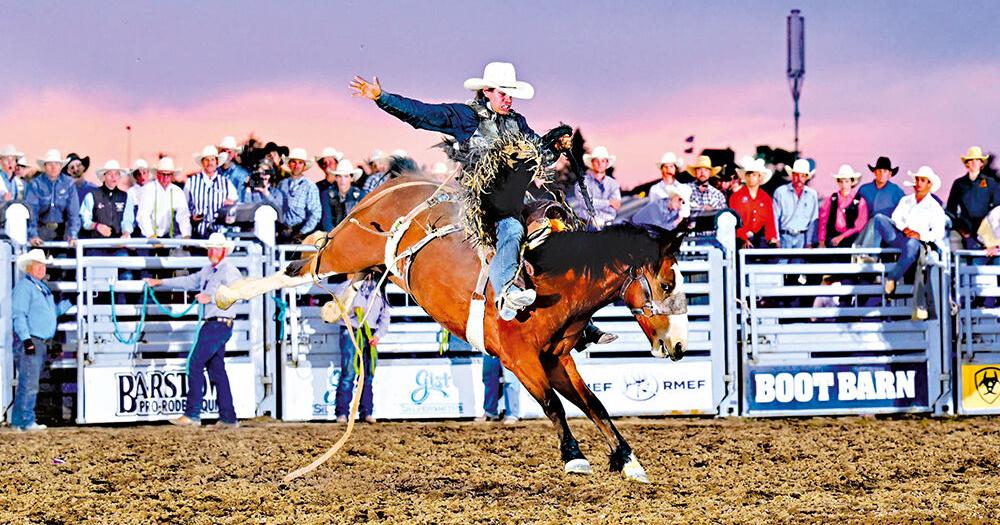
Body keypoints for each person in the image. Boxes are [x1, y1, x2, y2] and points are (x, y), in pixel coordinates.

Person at [350, 62, 541, 320]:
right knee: (512, 228)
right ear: (486, 91)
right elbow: (422, 114)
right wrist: (382, 98)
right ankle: (505, 293)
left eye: (510, 94)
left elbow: (538, 150)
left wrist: (555, 144)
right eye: (502, 93)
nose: (508, 99)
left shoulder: (517, 123)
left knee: (550, 224)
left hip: (515, 196)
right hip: (482, 201)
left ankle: (576, 317)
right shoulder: (466, 117)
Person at [143, 233, 243, 427]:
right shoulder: (208, 270)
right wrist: (161, 282)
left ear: (224, 251)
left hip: (219, 322)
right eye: (211, 248)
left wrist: (211, 298)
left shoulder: (229, 271)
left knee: (195, 364)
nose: (213, 252)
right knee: (217, 369)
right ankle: (228, 417)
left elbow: (237, 294)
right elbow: (188, 281)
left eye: (216, 248)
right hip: (215, 323)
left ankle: (192, 414)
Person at [10, 249, 73, 431]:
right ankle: (25, 421)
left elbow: (51, 313)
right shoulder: (25, 287)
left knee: (29, 381)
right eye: (38, 265)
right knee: (29, 382)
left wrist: (69, 302)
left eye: (43, 265)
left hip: (38, 341)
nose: (42, 269)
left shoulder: (39, 288)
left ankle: (20, 421)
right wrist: (26, 339)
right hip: (32, 340)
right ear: (30, 268)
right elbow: (19, 315)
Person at [871, 166, 947, 297]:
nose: (918, 183)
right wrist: (904, 227)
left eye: (923, 180)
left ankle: (892, 278)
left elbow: (938, 232)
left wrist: (920, 235)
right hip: (900, 235)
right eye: (917, 179)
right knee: (879, 219)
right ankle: (873, 258)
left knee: (911, 244)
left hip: (916, 241)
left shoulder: (935, 207)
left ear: (929, 184)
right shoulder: (906, 200)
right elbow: (896, 217)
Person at [331, 270, 391, 424]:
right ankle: (342, 413)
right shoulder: (345, 288)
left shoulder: (378, 290)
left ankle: (366, 411)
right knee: (349, 373)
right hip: (351, 330)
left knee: (367, 375)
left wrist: (377, 335)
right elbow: (336, 311)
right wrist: (352, 313)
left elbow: (385, 316)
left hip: (370, 334)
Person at [947, 146, 1000, 251]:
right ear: (967, 163)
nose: (974, 162)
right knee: (967, 260)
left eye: (977, 160)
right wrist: (961, 229)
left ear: (981, 164)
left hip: (986, 230)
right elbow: (950, 209)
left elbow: (997, 208)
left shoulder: (991, 183)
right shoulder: (959, 184)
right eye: (971, 160)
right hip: (965, 230)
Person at [26, 149, 81, 246]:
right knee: (39, 259)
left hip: (63, 233)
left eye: (57, 164)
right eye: (50, 164)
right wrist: (33, 235)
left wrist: (72, 235)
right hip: (40, 231)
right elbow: (31, 212)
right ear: (44, 166)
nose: (53, 167)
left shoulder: (69, 184)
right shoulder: (35, 184)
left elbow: (74, 213)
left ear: (61, 167)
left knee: (63, 259)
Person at [267, 147, 322, 241]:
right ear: (289, 164)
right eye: (293, 162)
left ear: (304, 166)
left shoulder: (310, 186)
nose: (297, 166)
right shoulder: (282, 184)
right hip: (281, 231)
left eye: (300, 162)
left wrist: (302, 232)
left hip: (300, 232)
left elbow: (315, 213)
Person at [186, 145, 237, 238]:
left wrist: (230, 206)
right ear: (202, 162)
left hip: (220, 234)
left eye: (213, 160)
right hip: (196, 233)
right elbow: (184, 207)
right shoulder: (191, 182)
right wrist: (191, 217)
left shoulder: (226, 183)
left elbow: (235, 204)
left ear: (217, 162)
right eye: (206, 160)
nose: (210, 163)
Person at [136, 157, 192, 239]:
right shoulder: (148, 189)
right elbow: (143, 215)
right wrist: (151, 236)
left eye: (168, 174)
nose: (165, 177)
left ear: (172, 176)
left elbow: (183, 215)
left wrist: (186, 234)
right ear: (157, 174)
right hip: (147, 237)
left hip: (167, 237)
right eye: (163, 174)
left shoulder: (177, 191)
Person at [729, 157, 778, 249]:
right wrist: (744, 238)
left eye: (754, 175)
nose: (751, 177)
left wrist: (772, 238)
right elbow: (735, 222)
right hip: (740, 240)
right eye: (748, 174)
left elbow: (770, 221)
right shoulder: (736, 197)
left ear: (760, 177)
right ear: (745, 177)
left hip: (760, 239)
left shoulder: (766, 198)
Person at [818, 165, 869, 248]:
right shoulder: (831, 199)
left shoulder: (860, 201)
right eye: (841, 181)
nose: (843, 184)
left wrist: (842, 237)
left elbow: (859, 226)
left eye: (846, 181)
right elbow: (823, 221)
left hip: (851, 239)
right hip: (831, 238)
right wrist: (821, 240)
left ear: (852, 182)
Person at [80, 160, 132, 239]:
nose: (113, 177)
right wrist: (96, 226)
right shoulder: (92, 196)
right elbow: (84, 220)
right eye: (110, 174)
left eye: (116, 174)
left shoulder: (125, 197)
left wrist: (126, 233)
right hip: (95, 245)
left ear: (119, 176)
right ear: (104, 176)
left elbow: (127, 220)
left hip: (118, 244)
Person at [572, 146, 621, 230]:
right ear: (592, 162)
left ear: (607, 163)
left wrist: (596, 203)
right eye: (596, 160)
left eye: (603, 161)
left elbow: (616, 205)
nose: (600, 163)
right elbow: (586, 203)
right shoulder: (582, 183)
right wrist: (609, 202)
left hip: (609, 226)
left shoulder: (613, 184)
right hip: (587, 227)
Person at [774, 159, 819, 249]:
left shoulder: (812, 194)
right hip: (784, 236)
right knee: (782, 262)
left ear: (807, 177)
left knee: (799, 262)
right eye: (796, 175)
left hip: (802, 237)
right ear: (792, 175)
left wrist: (809, 241)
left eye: (802, 176)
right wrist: (776, 238)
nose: (799, 178)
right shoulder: (780, 192)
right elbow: (775, 217)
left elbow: (813, 220)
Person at [320, 159, 366, 231]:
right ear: (336, 178)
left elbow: (363, 220)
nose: (342, 180)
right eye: (339, 176)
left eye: (346, 176)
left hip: (354, 234)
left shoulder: (361, 195)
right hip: (332, 235)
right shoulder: (326, 195)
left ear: (351, 179)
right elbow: (326, 221)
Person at [478, 355, 522, 423]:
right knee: (489, 376)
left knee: (510, 377)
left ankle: (512, 414)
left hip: (508, 347)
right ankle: (490, 412)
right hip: (489, 347)